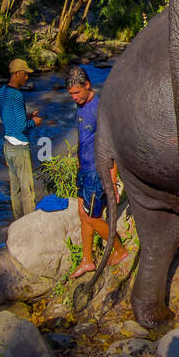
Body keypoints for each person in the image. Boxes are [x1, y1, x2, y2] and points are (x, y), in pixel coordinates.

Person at [66, 66, 127, 278]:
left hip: (96, 171)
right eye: (71, 94)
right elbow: (84, 139)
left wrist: (112, 180)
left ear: (88, 85)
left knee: (92, 217)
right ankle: (87, 261)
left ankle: (119, 250)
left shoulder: (99, 109)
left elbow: (112, 146)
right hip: (84, 169)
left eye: (77, 92)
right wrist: (78, 165)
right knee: (83, 215)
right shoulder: (81, 105)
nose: (74, 97)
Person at [0, 58, 41, 220]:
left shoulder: (2, 91)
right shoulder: (17, 95)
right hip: (20, 147)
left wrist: (27, 116)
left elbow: (5, 118)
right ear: (18, 74)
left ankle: (17, 221)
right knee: (27, 189)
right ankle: (29, 225)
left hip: (8, 146)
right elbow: (22, 127)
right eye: (26, 74)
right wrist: (34, 122)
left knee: (14, 190)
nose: (27, 78)